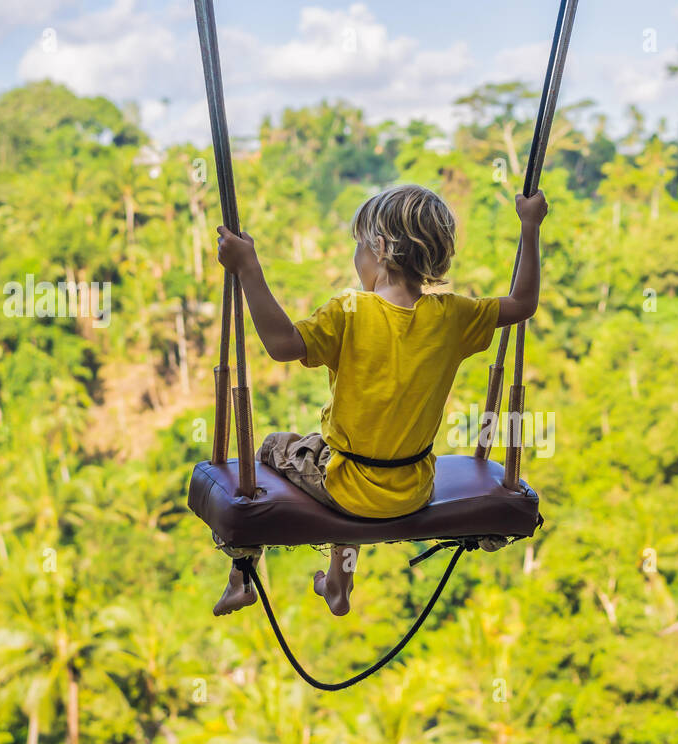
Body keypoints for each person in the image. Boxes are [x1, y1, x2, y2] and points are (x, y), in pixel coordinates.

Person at [211, 183, 547, 616]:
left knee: (280, 447)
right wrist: (530, 226)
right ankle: (337, 582)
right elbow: (523, 302)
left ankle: (241, 577)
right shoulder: (454, 316)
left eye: (358, 247)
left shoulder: (349, 311)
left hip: (346, 485)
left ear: (381, 248)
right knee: (348, 463)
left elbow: (281, 344)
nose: (356, 258)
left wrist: (248, 269)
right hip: (412, 489)